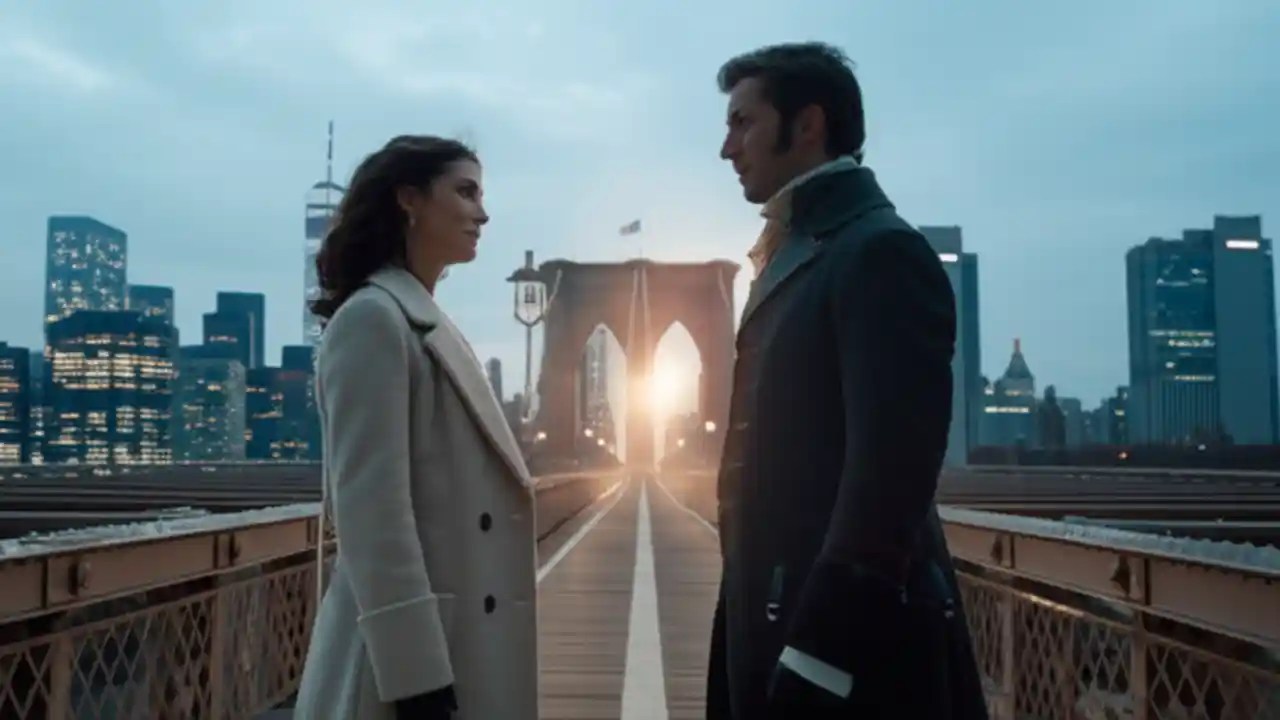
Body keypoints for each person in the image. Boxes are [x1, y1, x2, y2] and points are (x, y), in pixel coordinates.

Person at [706, 43, 990, 719]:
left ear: (807, 125)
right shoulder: (811, 252)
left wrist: (817, 659)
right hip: (783, 628)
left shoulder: (879, 253)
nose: (726, 147)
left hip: (844, 663)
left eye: (742, 122)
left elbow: (887, 483)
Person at [293, 135, 539, 720]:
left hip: (446, 642)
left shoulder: (419, 319)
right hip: (406, 667)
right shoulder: (374, 320)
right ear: (409, 199)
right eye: (465, 191)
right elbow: (373, 514)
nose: (482, 212)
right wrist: (416, 677)